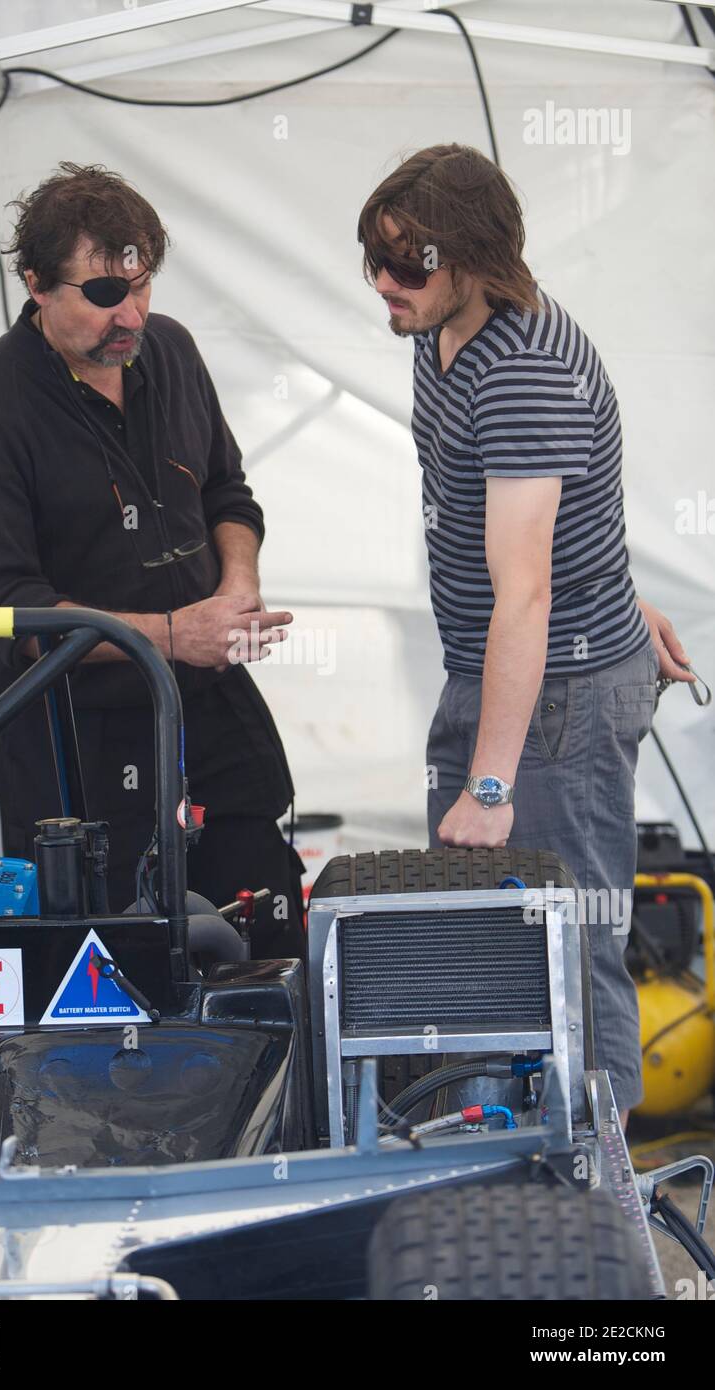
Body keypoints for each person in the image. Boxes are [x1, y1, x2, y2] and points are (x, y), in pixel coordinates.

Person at [358, 143, 694, 1121]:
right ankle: (492, 1175)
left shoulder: (521, 371)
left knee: (565, 939)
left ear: (473, 258)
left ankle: (598, 1205)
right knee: (481, 942)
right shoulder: (437, 328)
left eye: (408, 263)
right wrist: (623, 592)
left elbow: (526, 592)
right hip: (511, 669)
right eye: (374, 260)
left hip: (564, 694)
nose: (386, 283)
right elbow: (564, 509)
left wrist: (492, 782)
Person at [0, 161, 305, 957]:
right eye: (105, 294)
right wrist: (172, 634)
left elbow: (227, 495)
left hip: (211, 715)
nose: (131, 312)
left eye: (143, 286)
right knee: (111, 987)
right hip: (82, 751)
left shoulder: (169, 350)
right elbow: (10, 612)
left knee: (271, 949)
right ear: (36, 285)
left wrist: (237, 586)